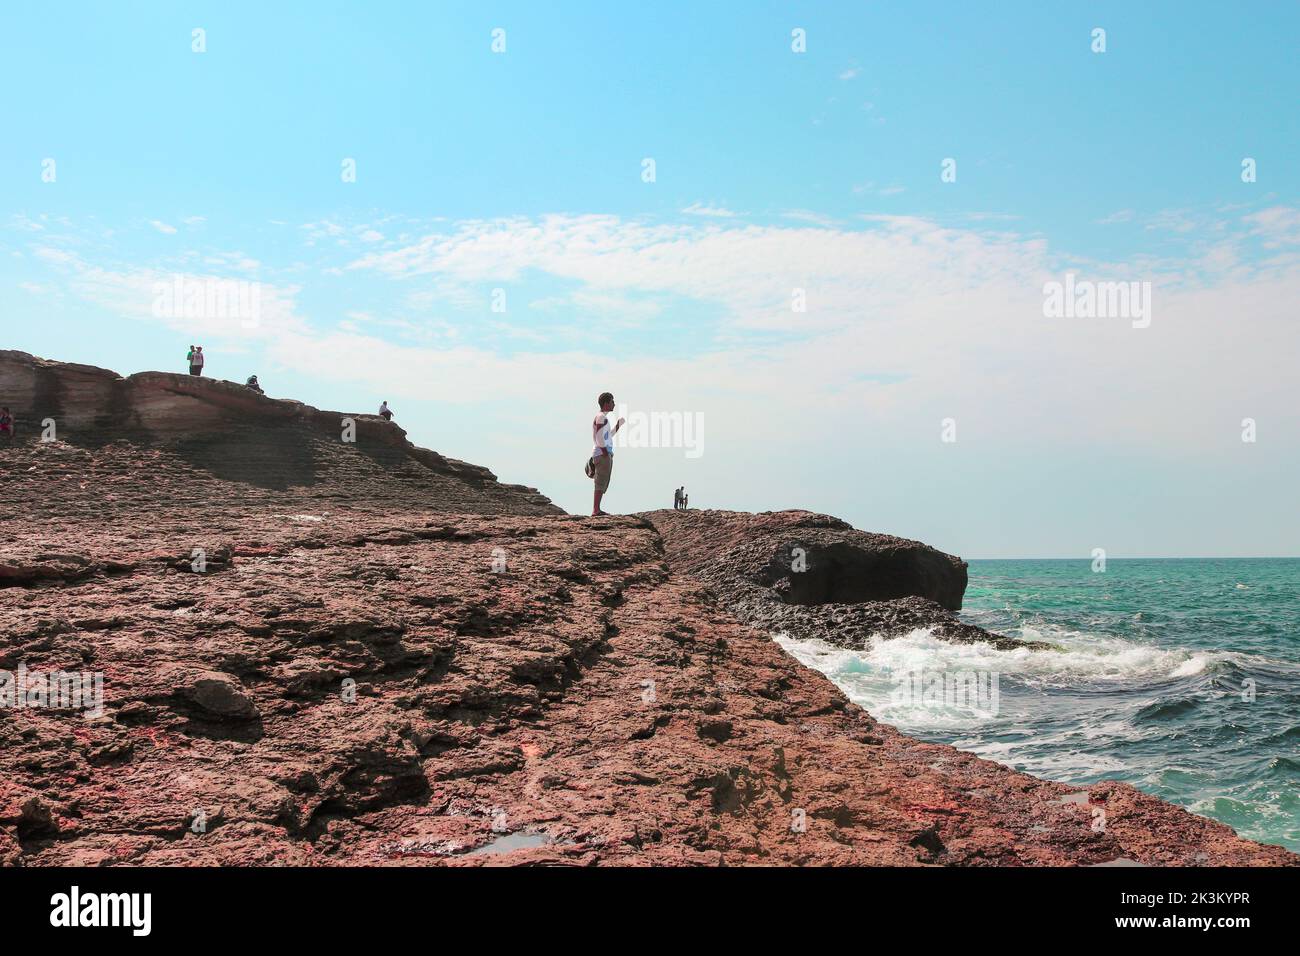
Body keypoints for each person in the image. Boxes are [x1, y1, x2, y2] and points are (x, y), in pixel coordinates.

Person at [590, 391, 624, 516]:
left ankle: (597, 508)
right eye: (612, 402)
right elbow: (599, 435)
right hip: (601, 454)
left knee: (603, 481)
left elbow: (607, 436)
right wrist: (604, 451)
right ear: (606, 403)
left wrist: (617, 427)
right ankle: (596, 509)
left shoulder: (603, 418)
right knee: (600, 481)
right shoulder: (601, 417)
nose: (614, 404)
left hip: (604, 453)